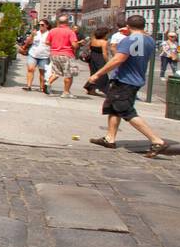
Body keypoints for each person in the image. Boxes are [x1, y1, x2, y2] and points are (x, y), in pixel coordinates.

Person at [85, 14, 168, 157]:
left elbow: (118, 59)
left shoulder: (128, 40)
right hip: (134, 78)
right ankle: (109, 138)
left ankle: (156, 141)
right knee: (112, 107)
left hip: (125, 80)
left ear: (128, 26)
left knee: (126, 110)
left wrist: (97, 74)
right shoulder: (149, 40)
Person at [44, 14, 80, 97]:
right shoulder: (70, 32)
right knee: (69, 74)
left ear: (58, 22)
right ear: (67, 22)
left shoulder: (52, 31)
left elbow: (47, 42)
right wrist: (77, 45)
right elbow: (74, 45)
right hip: (66, 54)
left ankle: (48, 83)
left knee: (56, 72)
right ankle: (66, 92)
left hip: (54, 54)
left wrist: (55, 45)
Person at [22, 21, 51, 93]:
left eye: (42, 25)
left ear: (47, 26)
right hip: (33, 54)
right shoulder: (36, 33)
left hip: (44, 56)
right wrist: (32, 35)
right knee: (30, 69)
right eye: (39, 25)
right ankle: (29, 86)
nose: (40, 26)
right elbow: (28, 42)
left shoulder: (50, 34)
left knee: (42, 72)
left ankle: (42, 87)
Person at [85, 26, 111, 97]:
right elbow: (104, 53)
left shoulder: (93, 40)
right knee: (102, 75)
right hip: (100, 59)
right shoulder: (104, 42)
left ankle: (91, 89)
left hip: (92, 58)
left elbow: (89, 48)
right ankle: (106, 90)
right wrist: (107, 61)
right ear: (104, 34)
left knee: (93, 73)